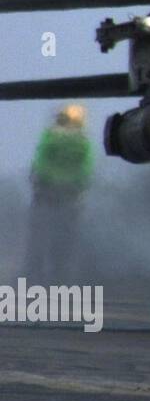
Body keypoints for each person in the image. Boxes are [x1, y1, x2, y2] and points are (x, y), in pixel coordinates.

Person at [24, 103, 95, 282]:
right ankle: (59, 275)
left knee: (39, 236)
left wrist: (39, 180)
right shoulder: (83, 141)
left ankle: (34, 274)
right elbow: (86, 169)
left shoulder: (51, 137)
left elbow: (40, 162)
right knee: (65, 237)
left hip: (47, 192)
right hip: (70, 195)